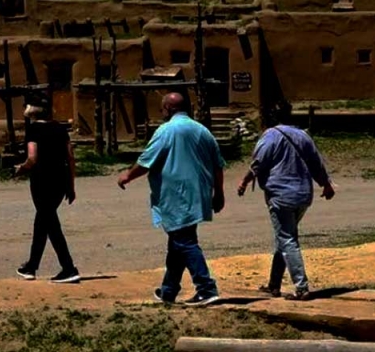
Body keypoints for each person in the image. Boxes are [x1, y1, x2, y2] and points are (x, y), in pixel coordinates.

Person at [118, 92, 226, 306]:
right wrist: (219, 192)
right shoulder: (202, 131)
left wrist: (127, 176)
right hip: (198, 194)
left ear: (167, 108)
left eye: (162, 108)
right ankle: (168, 291)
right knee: (177, 243)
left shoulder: (166, 131)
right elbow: (218, 164)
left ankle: (206, 288)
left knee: (185, 242)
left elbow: (147, 160)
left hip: (177, 196)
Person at [237, 115, 336, 300]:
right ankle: (274, 284)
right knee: (284, 237)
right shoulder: (303, 136)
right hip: (303, 195)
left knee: (287, 239)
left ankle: (301, 287)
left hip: (281, 195)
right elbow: (316, 163)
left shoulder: (270, 136)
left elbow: (258, 163)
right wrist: (326, 184)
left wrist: (244, 182)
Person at [13, 104, 81, 283]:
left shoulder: (34, 129)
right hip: (60, 180)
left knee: (49, 223)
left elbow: (32, 157)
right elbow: (70, 156)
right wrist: (71, 185)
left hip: (42, 181)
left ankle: (69, 268)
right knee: (43, 222)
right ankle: (31, 266)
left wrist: (22, 168)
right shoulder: (60, 128)